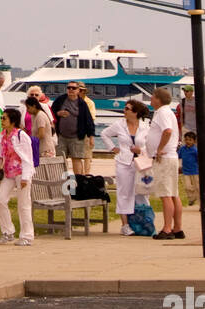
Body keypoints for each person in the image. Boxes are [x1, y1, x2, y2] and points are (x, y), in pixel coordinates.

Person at [103, 100, 150, 234]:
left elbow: (150, 144)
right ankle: (125, 225)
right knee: (124, 193)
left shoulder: (145, 126)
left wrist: (141, 150)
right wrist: (113, 148)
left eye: (127, 109)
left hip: (141, 162)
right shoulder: (119, 125)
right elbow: (104, 134)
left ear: (135, 112)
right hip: (123, 162)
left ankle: (145, 221)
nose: (124, 111)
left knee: (142, 191)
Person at [0, 108, 35, 246]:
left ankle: (27, 236)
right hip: (8, 173)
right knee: (0, 201)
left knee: (23, 204)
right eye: (1, 118)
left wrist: (26, 177)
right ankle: (7, 232)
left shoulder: (21, 136)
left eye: (4, 118)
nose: (2, 121)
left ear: (13, 120)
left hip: (21, 172)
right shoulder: (3, 134)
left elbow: (28, 158)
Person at [147, 88, 183, 239]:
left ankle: (167, 228)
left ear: (158, 99)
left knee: (166, 194)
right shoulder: (168, 112)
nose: (150, 100)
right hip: (171, 157)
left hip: (164, 157)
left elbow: (167, 131)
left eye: (152, 97)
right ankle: (177, 228)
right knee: (173, 193)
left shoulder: (162, 112)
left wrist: (159, 148)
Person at [51, 80, 94, 175]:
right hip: (61, 136)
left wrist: (91, 137)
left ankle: (78, 181)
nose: (71, 90)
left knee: (77, 159)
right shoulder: (60, 100)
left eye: (73, 88)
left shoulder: (82, 104)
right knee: (59, 159)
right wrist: (58, 113)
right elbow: (51, 113)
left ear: (78, 90)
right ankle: (60, 181)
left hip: (77, 136)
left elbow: (88, 120)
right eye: (68, 88)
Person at [23, 95, 55, 163]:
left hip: (45, 150)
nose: (27, 110)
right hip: (39, 149)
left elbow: (41, 134)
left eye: (28, 108)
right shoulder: (33, 116)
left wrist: (29, 141)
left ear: (34, 106)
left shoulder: (40, 115)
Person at [180, 132, 199, 208]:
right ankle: (191, 198)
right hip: (186, 171)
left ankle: (201, 204)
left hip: (195, 171)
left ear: (194, 141)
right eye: (186, 140)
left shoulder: (195, 150)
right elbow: (178, 156)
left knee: (197, 187)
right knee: (187, 186)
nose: (188, 141)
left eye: (190, 140)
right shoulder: (182, 149)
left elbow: (198, 160)